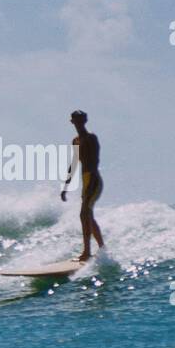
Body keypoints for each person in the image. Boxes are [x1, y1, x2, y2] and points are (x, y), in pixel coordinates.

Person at [61, 110, 105, 261]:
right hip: (85, 180)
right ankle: (102, 249)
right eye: (76, 120)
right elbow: (73, 164)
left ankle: (87, 252)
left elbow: (95, 161)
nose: (79, 123)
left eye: (81, 120)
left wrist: (91, 181)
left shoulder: (91, 138)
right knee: (88, 215)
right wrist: (65, 187)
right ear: (72, 122)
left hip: (93, 179)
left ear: (85, 120)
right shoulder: (75, 141)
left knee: (84, 214)